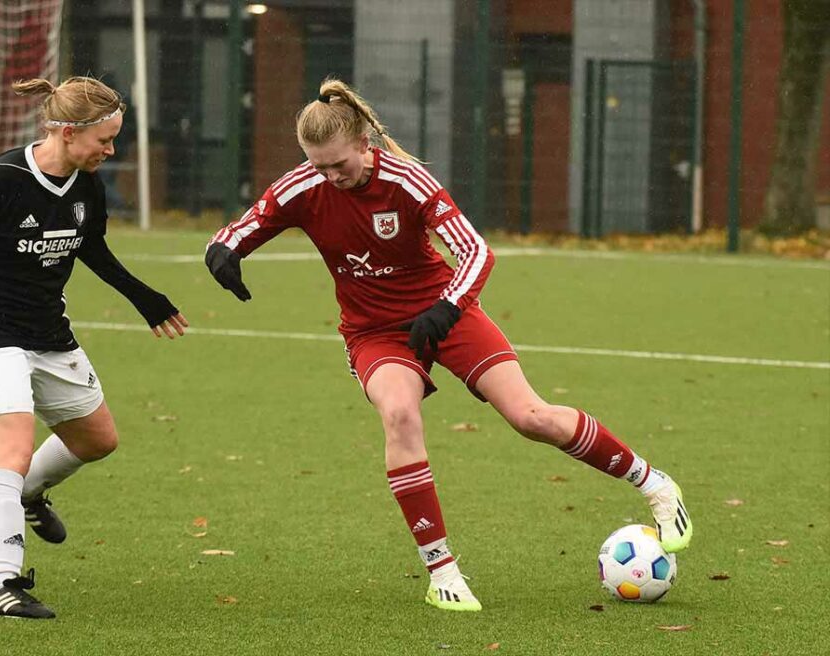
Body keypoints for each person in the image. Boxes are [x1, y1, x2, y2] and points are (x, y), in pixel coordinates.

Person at [204, 78, 692, 612]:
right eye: (318, 166)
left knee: (532, 417)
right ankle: (442, 569)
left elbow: (476, 252)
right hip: (374, 332)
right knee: (399, 414)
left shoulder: (407, 180)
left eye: (339, 165)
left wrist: (447, 307)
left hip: (446, 313)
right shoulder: (304, 186)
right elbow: (242, 227)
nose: (330, 177)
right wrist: (223, 251)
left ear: (365, 144)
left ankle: (656, 485)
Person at [0, 76, 189, 619]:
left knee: (97, 440)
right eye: (104, 141)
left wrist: (145, 298)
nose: (110, 152)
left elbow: (91, 247)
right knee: (11, 451)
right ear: (67, 132)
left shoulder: (87, 185)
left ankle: (28, 495)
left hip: (47, 329)